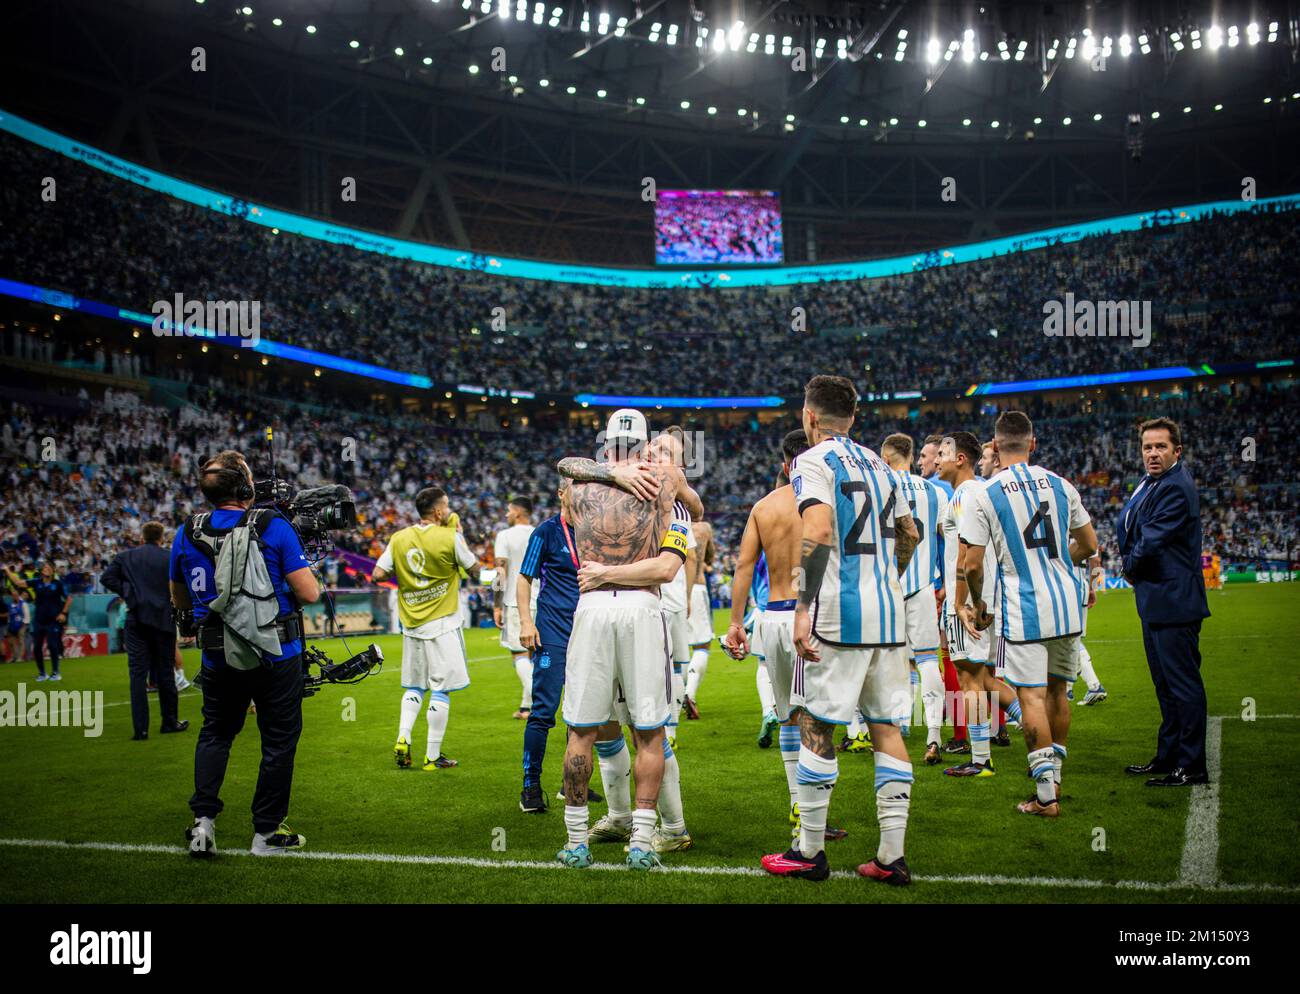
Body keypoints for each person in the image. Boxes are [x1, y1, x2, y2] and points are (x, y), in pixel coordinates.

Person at [761, 375, 919, 886]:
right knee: (885, 725)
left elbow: (821, 529)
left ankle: (808, 853)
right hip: (889, 613)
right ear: (853, 418)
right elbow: (909, 534)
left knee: (816, 722)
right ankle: (890, 858)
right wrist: (888, 579)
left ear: (809, 417)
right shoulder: (880, 463)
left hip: (839, 613)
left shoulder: (811, 461)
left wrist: (803, 605)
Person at [553, 408, 694, 870]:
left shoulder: (578, 485)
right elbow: (692, 509)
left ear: (606, 439)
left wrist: (606, 469)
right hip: (642, 606)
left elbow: (565, 467)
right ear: (646, 441)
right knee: (649, 732)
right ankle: (641, 840)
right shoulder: (663, 482)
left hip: (593, 601)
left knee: (581, 730)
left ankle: (577, 842)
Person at [170, 450, 321, 857]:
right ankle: (266, 834)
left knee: (216, 732)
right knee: (278, 742)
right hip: (276, 652)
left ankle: (203, 824)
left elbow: (180, 595)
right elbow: (309, 592)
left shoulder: (187, 530)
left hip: (217, 654)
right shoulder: (272, 525)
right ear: (245, 487)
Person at [955, 412, 1098, 818]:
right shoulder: (1061, 484)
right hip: (1068, 603)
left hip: (1025, 606)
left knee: (1030, 696)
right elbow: (1087, 544)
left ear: (995, 448)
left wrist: (977, 604)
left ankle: (1045, 796)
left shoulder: (985, 493)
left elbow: (972, 566)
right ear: (1033, 444)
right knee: (1058, 691)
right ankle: (1057, 777)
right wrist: (1057, 566)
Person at [726, 429, 851, 843]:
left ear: (784, 464)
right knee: (817, 721)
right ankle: (813, 820)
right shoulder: (829, 505)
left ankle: (799, 807)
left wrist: (734, 623)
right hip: (814, 616)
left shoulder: (764, 506)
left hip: (771, 618)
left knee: (787, 721)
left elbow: (743, 567)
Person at [1116, 418, 1210, 787]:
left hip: (1174, 601)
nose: (1152, 453)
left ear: (1177, 451)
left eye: (1160, 447)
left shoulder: (1174, 487)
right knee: (1165, 685)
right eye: (1147, 447)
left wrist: (1128, 565)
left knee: (1182, 686)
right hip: (1157, 600)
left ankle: (1192, 765)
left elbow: (1151, 539)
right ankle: (1169, 756)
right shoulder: (1153, 482)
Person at [372, 487, 481, 772]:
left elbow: (378, 574)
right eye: (445, 507)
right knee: (441, 689)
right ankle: (432, 757)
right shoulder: (450, 537)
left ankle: (403, 738)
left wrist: (411, 577)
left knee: (414, 686)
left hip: (412, 625)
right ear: (439, 512)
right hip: (443, 623)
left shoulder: (399, 538)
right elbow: (477, 571)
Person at [935, 432, 1021, 777]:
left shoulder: (965, 496)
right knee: (984, 679)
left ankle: (980, 760)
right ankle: (1034, 726)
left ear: (961, 459)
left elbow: (966, 558)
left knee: (969, 679)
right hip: (984, 599)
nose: (938, 458)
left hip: (969, 603)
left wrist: (958, 603)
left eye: (943, 452)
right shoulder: (974, 493)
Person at [879, 433, 948, 764]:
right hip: (922, 585)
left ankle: (895, 723)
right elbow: (947, 539)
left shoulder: (880, 485)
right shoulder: (935, 492)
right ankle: (933, 734)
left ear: (889, 458)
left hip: (888, 585)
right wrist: (946, 583)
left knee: (887, 661)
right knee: (926, 659)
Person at [102, 521, 187, 740]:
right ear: (161, 538)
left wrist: (129, 592)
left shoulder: (126, 557)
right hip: (163, 619)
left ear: (142, 537)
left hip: (137, 618)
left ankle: (140, 729)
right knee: (166, 672)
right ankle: (169, 721)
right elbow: (181, 583)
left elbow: (106, 578)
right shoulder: (169, 557)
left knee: (137, 675)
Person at [494, 497, 537, 720]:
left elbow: (501, 572)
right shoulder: (539, 532)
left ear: (519, 513)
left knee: (518, 654)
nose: (506, 515)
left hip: (515, 601)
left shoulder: (505, 536)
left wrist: (496, 605)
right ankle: (526, 707)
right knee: (531, 656)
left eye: (509, 511)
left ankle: (536, 701)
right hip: (540, 599)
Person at [5, 561, 71, 682]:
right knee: (36, 648)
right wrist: (7, 570)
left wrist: (63, 613)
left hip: (53, 620)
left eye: (48, 567)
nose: (46, 569)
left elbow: (69, 599)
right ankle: (42, 674)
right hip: (39, 620)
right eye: (44, 567)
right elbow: (18, 582)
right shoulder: (37, 582)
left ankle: (56, 673)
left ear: (53, 571)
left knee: (52, 645)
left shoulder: (58, 584)